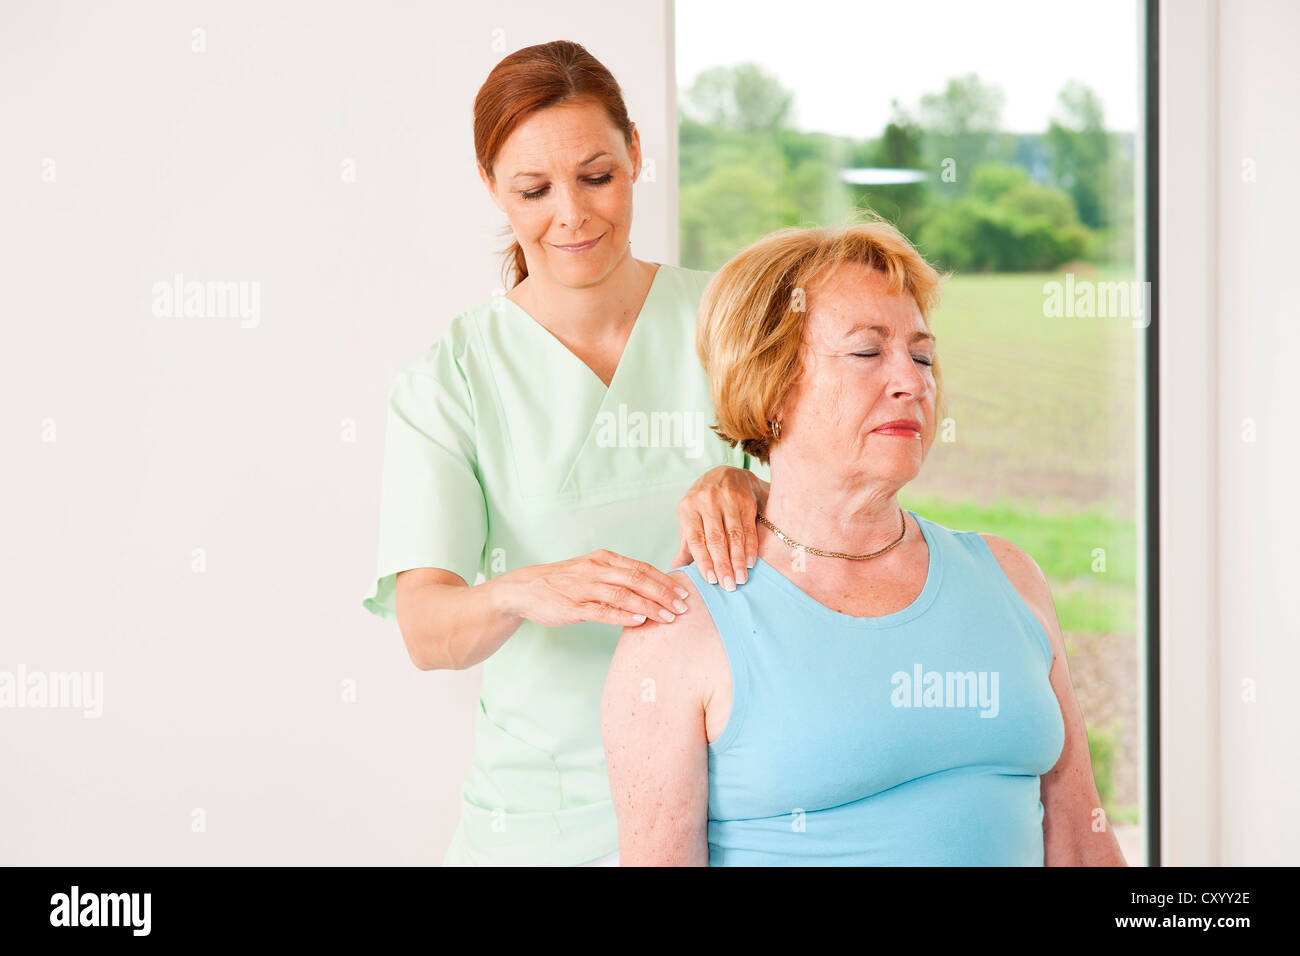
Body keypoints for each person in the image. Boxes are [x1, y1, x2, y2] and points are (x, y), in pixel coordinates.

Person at [601, 218, 1128, 866]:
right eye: (866, 352)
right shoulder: (681, 631)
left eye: (923, 354)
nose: (912, 381)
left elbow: (1082, 842)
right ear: (770, 384)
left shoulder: (1011, 578)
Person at [361, 40, 767, 867]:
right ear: (492, 189)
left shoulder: (728, 321)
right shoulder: (453, 379)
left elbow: (835, 517)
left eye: (597, 176)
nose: (572, 215)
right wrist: (524, 589)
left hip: (742, 787)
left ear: (636, 157)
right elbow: (425, 628)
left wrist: (753, 485)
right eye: (533, 190)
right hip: (545, 818)